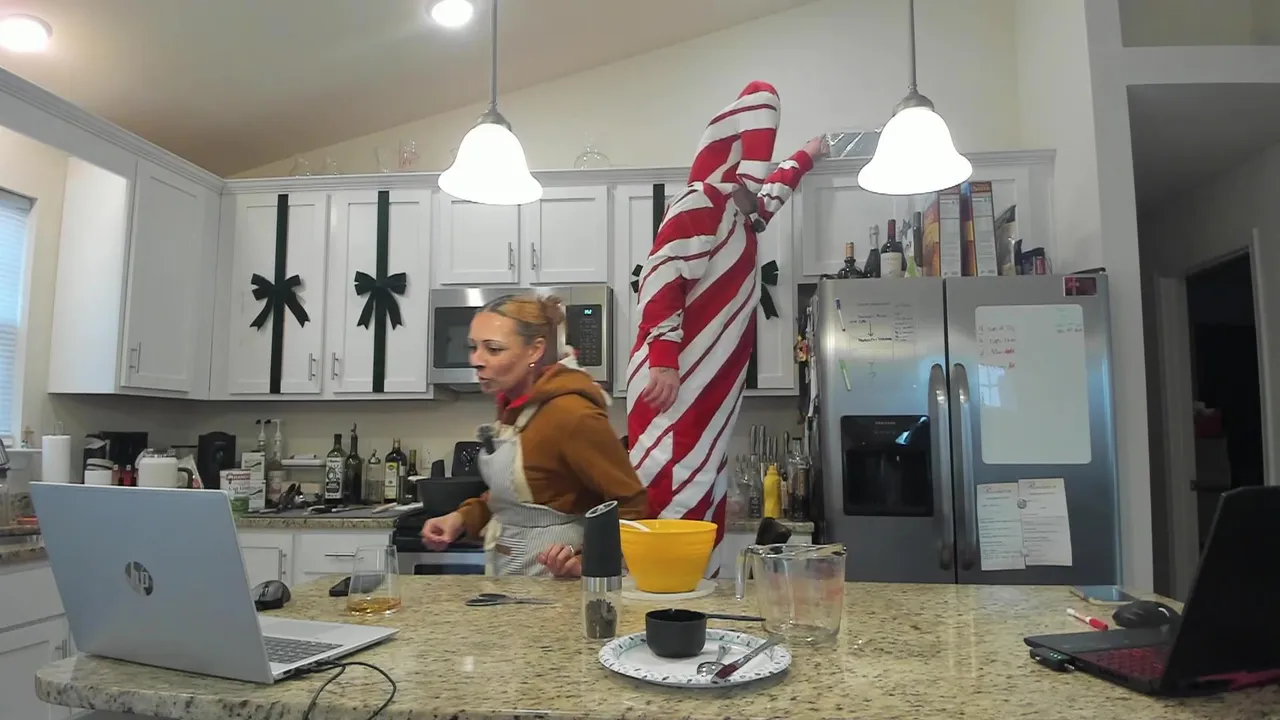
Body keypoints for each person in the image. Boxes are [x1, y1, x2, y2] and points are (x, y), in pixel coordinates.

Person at [627, 80, 826, 575]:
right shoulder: (700, 202)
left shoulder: (740, 216)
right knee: (674, 490)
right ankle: (669, 595)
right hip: (675, 386)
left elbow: (774, 192)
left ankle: (696, 591)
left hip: (710, 392)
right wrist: (664, 359)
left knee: (704, 490)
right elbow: (660, 273)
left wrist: (806, 156)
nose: (756, 183)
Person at [421, 293, 647, 578]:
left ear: (535, 350)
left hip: (558, 587)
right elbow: (513, 501)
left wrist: (588, 560)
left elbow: (633, 504)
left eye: (493, 349)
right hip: (513, 579)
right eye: (473, 347)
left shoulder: (572, 414)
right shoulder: (514, 409)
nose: (476, 360)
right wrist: (461, 518)